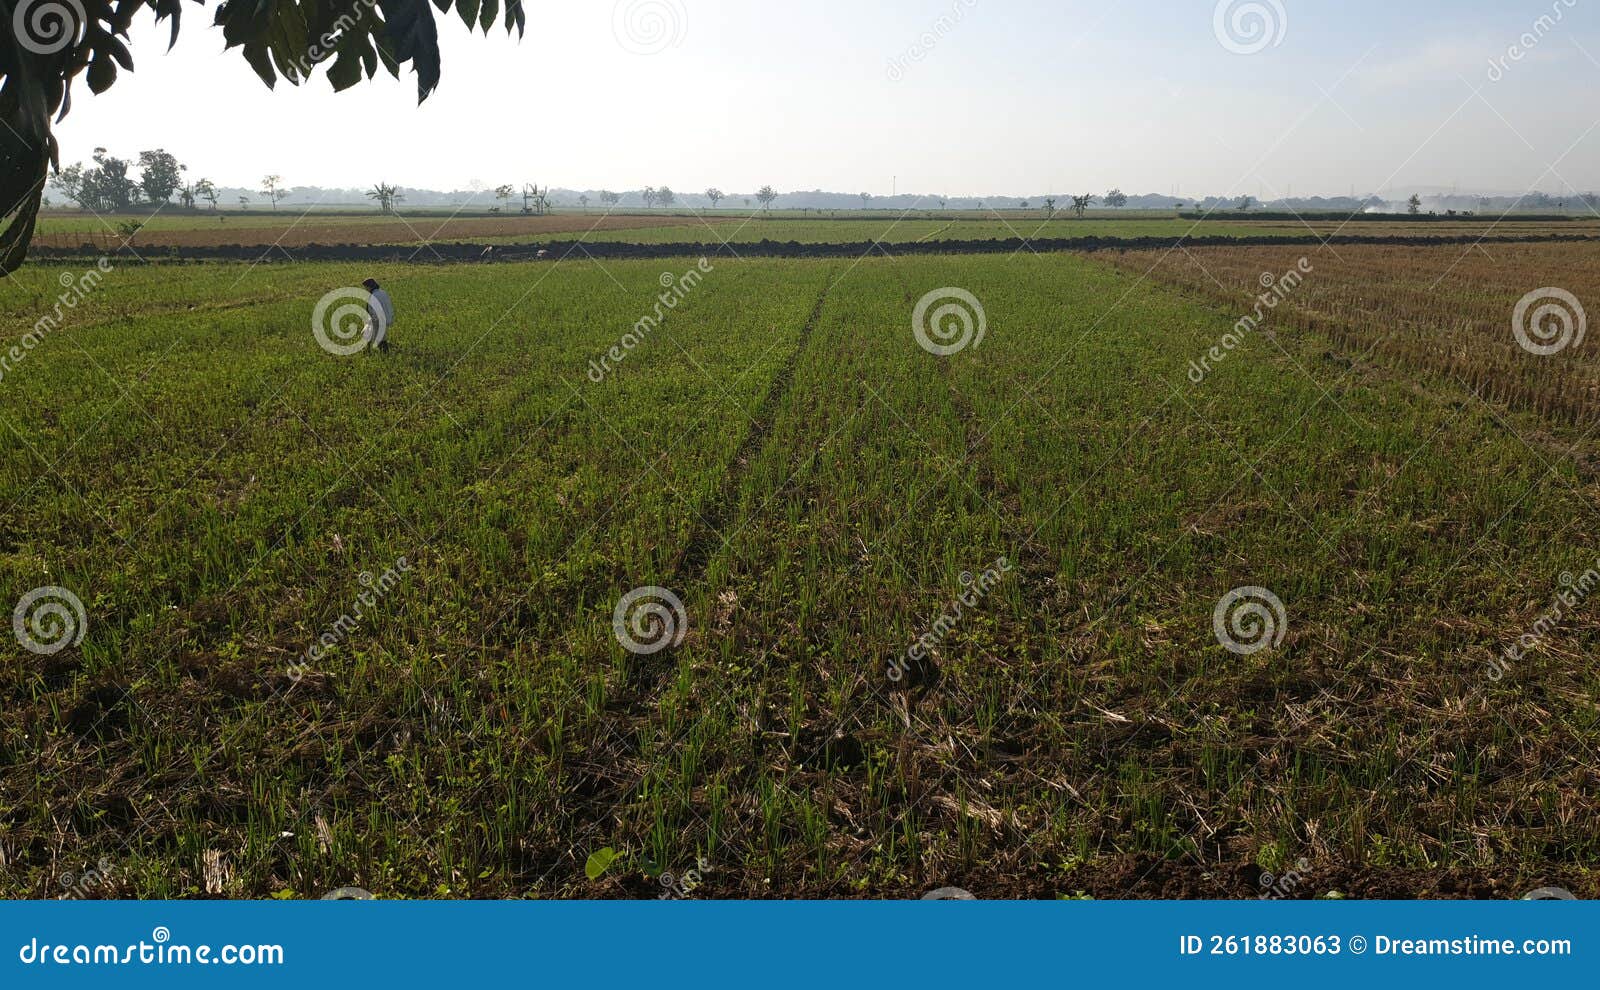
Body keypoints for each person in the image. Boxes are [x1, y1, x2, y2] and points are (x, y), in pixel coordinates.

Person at [363, 277, 394, 352]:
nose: (366, 289)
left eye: (366, 287)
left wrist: (370, 321)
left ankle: (385, 353)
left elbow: (373, 311)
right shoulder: (383, 292)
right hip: (387, 317)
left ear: (370, 286)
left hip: (378, 319)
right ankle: (369, 350)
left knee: (378, 338)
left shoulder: (373, 296)